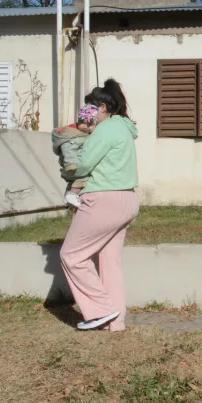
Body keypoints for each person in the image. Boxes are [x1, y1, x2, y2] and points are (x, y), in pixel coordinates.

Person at [60, 79, 139, 332]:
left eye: (91, 108)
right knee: (109, 261)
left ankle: (102, 311)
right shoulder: (123, 127)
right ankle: (115, 322)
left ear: (103, 107)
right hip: (127, 199)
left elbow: (82, 164)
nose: (89, 113)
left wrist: (67, 169)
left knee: (71, 256)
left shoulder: (106, 129)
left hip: (104, 199)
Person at [52, 104, 100, 208]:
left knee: (73, 181)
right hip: (72, 165)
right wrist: (71, 163)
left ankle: (68, 194)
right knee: (84, 177)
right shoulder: (73, 134)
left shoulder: (80, 134)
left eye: (90, 124)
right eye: (82, 123)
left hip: (73, 165)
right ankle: (72, 194)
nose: (85, 127)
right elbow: (68, 149)